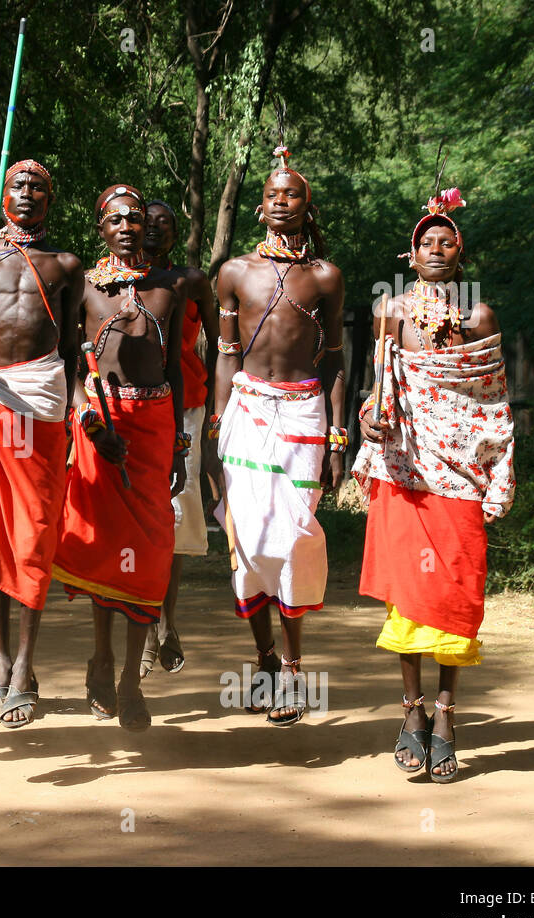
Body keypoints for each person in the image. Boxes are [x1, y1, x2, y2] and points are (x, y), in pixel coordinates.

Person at [352, 185, 514, 782]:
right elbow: (381, 384)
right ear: (410, 255)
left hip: (461, 474)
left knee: (456, 589)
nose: (438, 249)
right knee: (410, 592)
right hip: (403, 468)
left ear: (460, 256)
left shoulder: (480, 317)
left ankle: (448, 714)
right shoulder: (389, 311)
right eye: (427, 242)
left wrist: (499, 470)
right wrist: (369, 420)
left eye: (448, 242)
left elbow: (492, 403)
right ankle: (412, 714)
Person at [211, 142, 345, 726]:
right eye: (272, 195)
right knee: (246, 541)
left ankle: (294, 669)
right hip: (245, 414)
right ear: (260, 208)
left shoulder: (325, 276)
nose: (281, 202)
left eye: (292, 194)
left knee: (292, 535)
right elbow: (225, 353)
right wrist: (217, 425)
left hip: (303, 417)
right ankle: (265, 659)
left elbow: (336, 358)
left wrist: (340, 434)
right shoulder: (235, 273)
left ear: (306, 206)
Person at [0, 160, 84, 729]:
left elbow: (74, 349)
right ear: (2, 195)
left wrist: (83, 406)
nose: (26, 194)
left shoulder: (66, 266)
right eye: (17, 186)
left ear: (50, 200)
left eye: (37, 188)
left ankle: (27, 666)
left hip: (43, 403)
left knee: (31, 532)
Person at [51, 185, 188, 731]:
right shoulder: (84, 290)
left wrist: (180, 444)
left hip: (153, 434)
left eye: (135, 218)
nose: (128, 226)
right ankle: (103, 659)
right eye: (116, 220)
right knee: (108, 550)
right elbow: (68, 367)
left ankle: (133, 679)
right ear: (100, 228)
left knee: (151, 554)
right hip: (99, 430)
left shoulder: (168, 290)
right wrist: (89, 420)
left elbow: (175, 370)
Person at [140, 199, 218, 678]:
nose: (151, 229)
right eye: (144, 221)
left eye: (162, 223)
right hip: (130, 407)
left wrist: (218, 419)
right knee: (137, 514)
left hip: (185, 405)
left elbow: (223, 344)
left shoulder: (192, 280)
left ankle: (165, 621)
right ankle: (141, 624)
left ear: (176, 232)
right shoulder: (113, 280)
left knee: (175, 509)